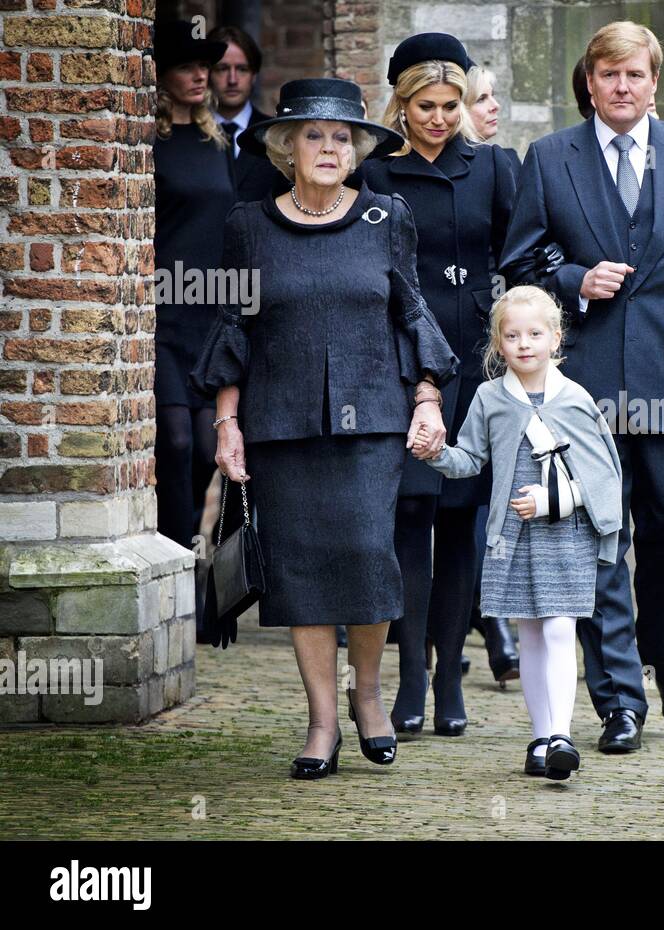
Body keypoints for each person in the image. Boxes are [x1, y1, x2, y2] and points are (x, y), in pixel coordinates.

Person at [189, 78, 458, 779]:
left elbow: (412, 313)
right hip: (281, 425)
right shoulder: (249, 226)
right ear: (286, 148)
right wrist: (227, 423)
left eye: (344, 137)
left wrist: (427, 399)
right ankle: (320, 723)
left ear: (360, 148)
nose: (331, 147)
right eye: (315, 135)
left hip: (372, 421)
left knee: (369, 557)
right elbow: (231, 328)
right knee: (303, 571)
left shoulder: (386, 218)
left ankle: (368, 695)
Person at [500, 21, 664, 754]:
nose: (621, 87)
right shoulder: (549, 158)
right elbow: (519, 264)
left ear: (653, 82)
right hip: (584, 386)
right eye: (608, 75)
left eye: (634, 75)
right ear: (589, 83)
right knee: (598, 539)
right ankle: (619, 701)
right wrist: (574, 281)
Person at [364, 33, 519, 737]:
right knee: (410, 520)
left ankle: (452, 672)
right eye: (424, 105)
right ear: (401, 104)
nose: (438, 117)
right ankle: (409, 678)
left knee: (463, 521)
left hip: (477, 365)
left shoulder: (492, 167)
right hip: (399, 365)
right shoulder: (375, 174)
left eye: (450, 105)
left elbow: (525, 256)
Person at [415, 286, 624, 780]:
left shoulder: (575, 399)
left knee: (559, 627)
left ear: (556, 338)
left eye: (534, 334)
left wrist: (552, 501)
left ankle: (562, 736)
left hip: (566, 533)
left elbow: (603, 477)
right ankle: (540, 736)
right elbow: (471, 458)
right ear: (497, 343)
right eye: (512, 335)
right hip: (513, 532)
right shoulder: (491, 397)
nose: (524, 344)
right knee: (529, 630)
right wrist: (435, 454)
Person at [151, 21, 235, 550]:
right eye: (188, 66)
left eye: (205, 66)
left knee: (207, 451)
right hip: (164, 309)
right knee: (176, 441)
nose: (202, 75)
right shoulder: (147, 143)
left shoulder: (216, 141)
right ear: (162, 77)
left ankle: (189, 549)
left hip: (212, 309)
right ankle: (173, 549)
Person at [209, 25, 284, 203]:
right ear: (207, 73)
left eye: (242, 69)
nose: (232, 80)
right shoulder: (189, 133)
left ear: (254, 75)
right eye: (222, 68)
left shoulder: (276, 134)